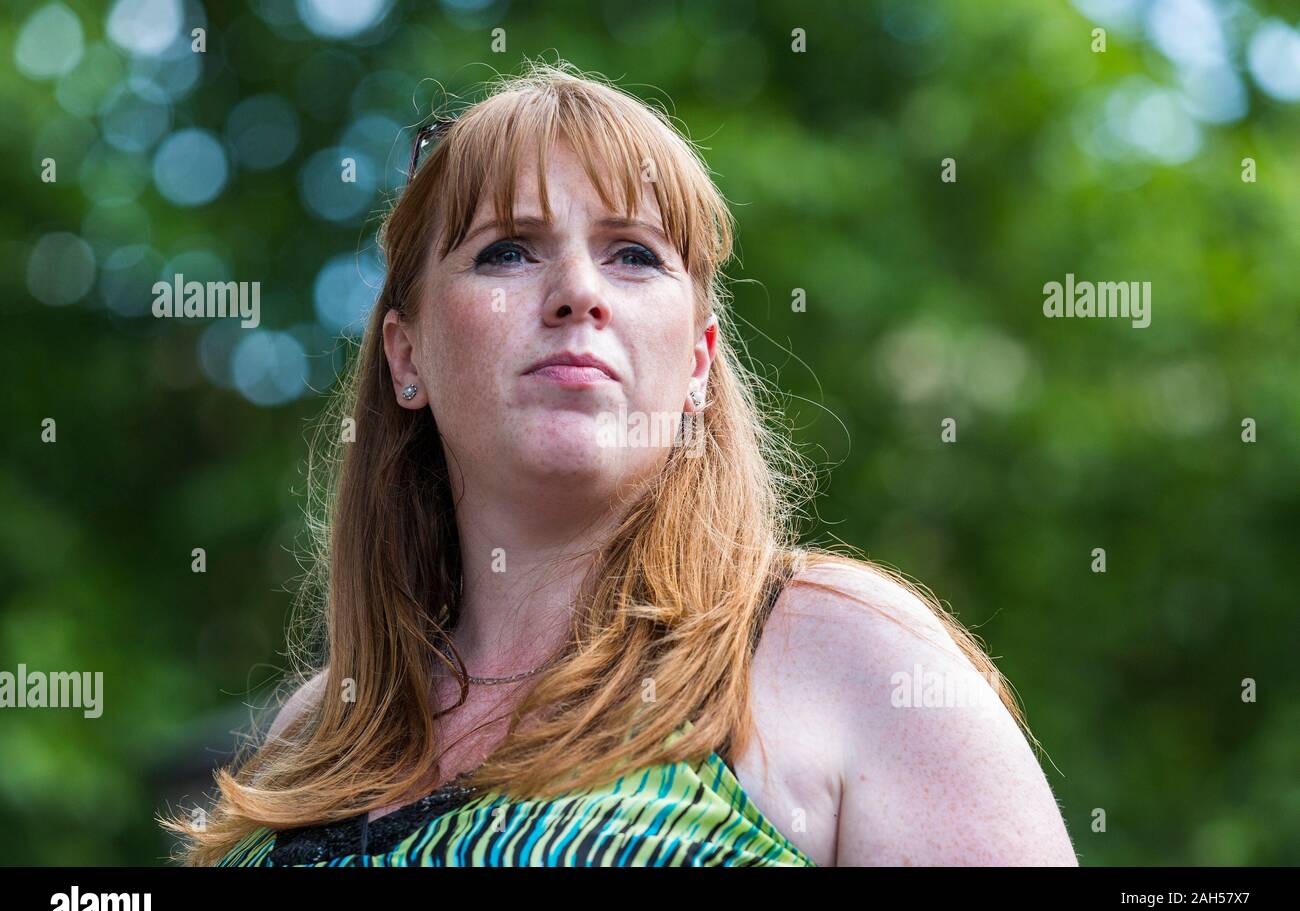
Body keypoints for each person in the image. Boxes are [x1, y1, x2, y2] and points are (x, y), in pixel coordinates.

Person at [164, 59, 1077, 867]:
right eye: (509, 250)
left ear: (696, 362)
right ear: (408, 359)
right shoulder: (313, 732)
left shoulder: (842, 654)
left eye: (634, 255)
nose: (577, 295)